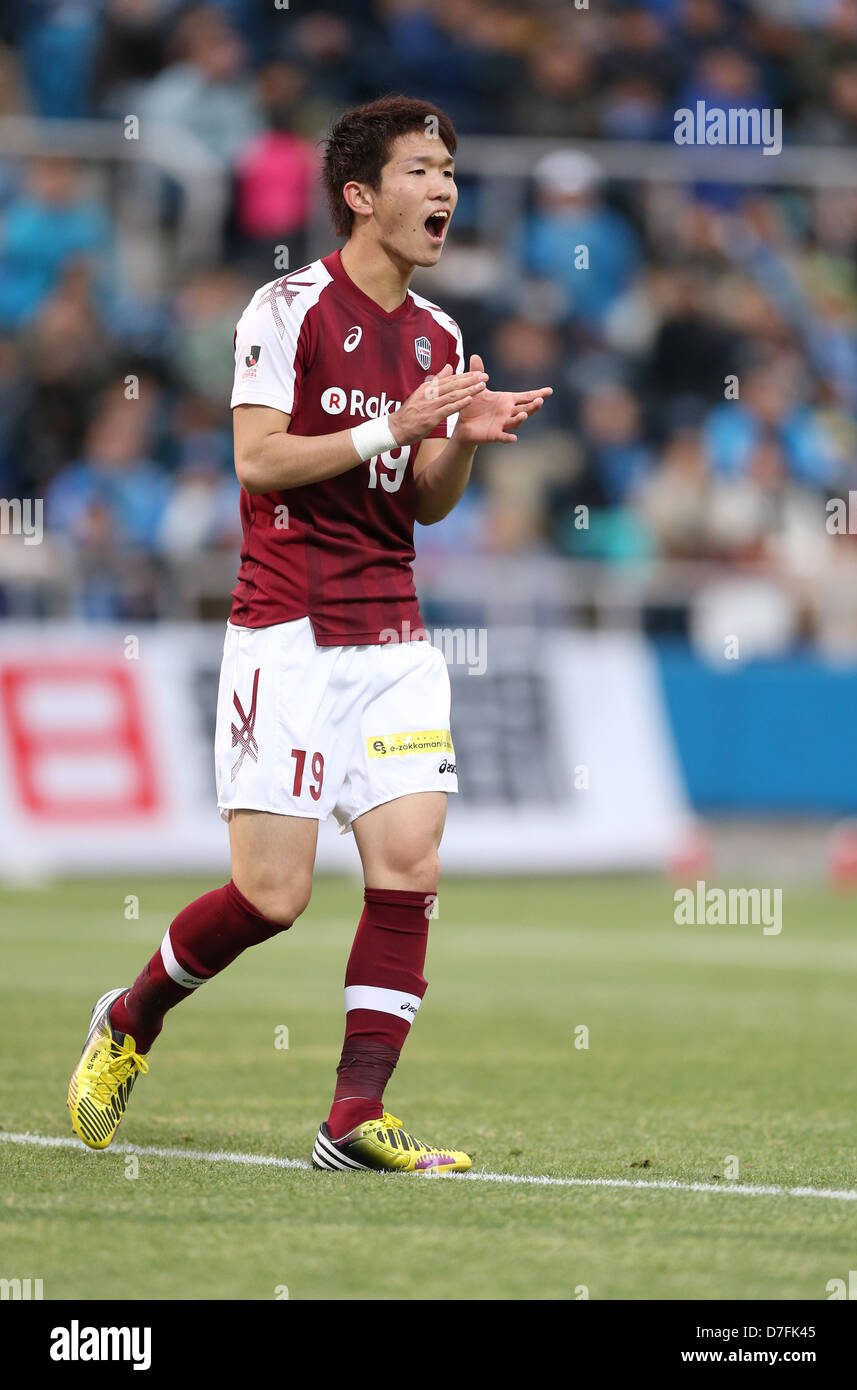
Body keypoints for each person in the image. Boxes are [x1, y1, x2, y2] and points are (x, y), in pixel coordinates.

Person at [67, 95, 552, 1174]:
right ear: (359, 194)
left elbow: (422, 502)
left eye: (450, 171)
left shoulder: (440, 334)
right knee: (272, 896)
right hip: (285, 627)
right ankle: (132, 1014)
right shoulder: (283, 310)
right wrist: (396, 422)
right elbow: (259, 461)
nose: (444, 190)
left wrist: (462, 440)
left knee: (409, 862)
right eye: (422, 170)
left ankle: (351, 1116)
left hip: (392, 635)